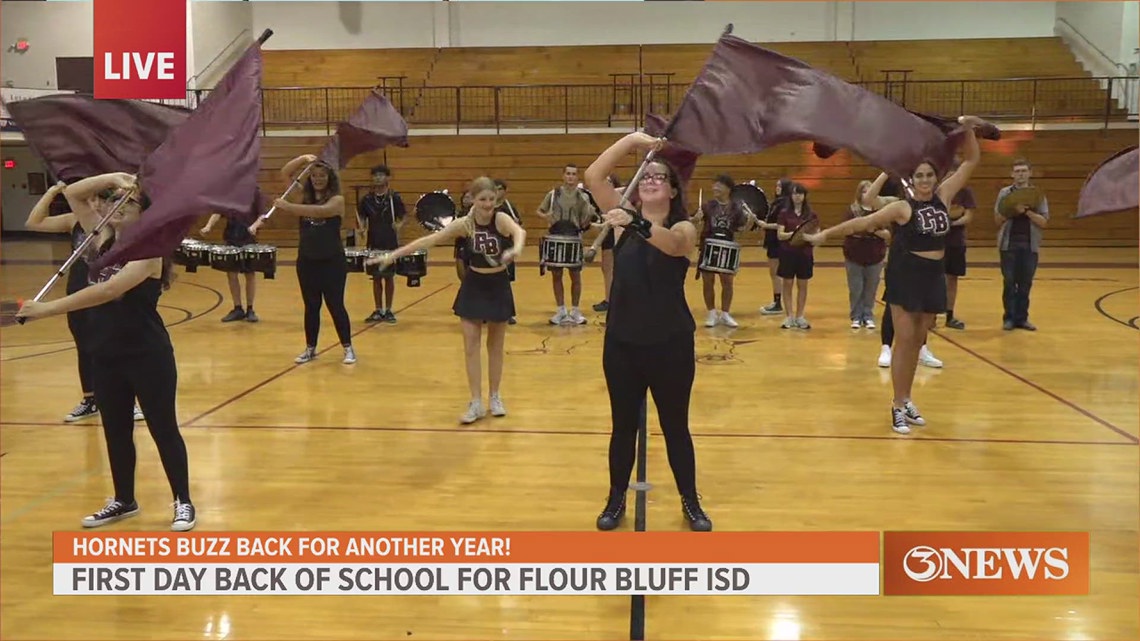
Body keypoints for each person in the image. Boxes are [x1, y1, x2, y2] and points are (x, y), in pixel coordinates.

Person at [17, 171, 195, 531]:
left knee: (163, 429)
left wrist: (47, 309)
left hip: (147, 354)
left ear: (144, 215)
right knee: (115, 429)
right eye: (115, 201)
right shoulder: (99, 241)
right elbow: (75, 195)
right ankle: (124, 500)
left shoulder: (149, 253)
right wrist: (114, 176)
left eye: (127, 204)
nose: (116, 207)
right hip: (106, 352)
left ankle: (183, 500)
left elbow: (107, 291)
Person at [804, 116, 981, 434]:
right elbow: (861, 224)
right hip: (906, 274)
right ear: (912, 180)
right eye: (920, 176)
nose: (925, 180)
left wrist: (967, 127)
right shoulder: (902, 207)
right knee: (904, 341)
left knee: (917, 341)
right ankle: (897, 405)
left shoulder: (944, 197)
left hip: (932, 275)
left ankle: (907, 398)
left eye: (929, 175)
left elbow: (971, 159)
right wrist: (824, 235)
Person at [583, 131, 711, 532]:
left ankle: (691, 502)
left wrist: (635, 220)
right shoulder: (622, 220)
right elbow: (593, 176)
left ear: (673, 191)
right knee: (623, 427)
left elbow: (673, 246)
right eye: (647, 174)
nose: (652, 179)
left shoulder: (684, 227)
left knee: (676, 427)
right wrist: (634, 141)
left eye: (660, 176)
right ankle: (615, 497)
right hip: (622, 343)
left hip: (670, 344)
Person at [367, 177, 526, 424]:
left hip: (498, 285)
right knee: (471, 345)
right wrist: (392, 255)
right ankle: (475, 401)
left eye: (491, 200)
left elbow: (519, 232)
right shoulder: (464, 224)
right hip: (474, 285)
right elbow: (428, 241)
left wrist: (515, 249)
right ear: (472, 199)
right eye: (482, 199)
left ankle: (495, 396)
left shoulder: (500, 219)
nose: (487, 205)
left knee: (495, 345)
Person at [24, 181, 145, 424]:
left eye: (102, 199)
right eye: (92, 199)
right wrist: (51, 191)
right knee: (84, 345)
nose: (96, 204)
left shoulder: (113, 228)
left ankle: (127, 400)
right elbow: (33, 222)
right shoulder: (75, 221)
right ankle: (90, 400)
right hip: (79, 285)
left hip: (104, 287)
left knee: (112, 344)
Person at [253, 154, 356, 365]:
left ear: (330, 178)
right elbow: (285, 172)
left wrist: (287, 207)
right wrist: (302, 159)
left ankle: (348, 347)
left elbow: (320, 212)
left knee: (335, 305)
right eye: (314, 175)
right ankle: (310, 348)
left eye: (322, 176)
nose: (318, 179)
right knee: (311, 306)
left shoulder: (337, 200)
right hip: (307, 261)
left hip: (332, 262)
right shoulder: (302, 196)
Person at [860, 173, 943, 370]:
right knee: (893, 305)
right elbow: (868, 200)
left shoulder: (934, 200)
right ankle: (886, 347)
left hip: (925, 264)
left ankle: (921, 348)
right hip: (900, 260)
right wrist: (886, 171)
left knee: (922, 309)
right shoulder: (898, 203)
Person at [537, 164, 597, 325]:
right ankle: (561, 310)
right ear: (563, 175)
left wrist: (589, 214)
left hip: (573, 237)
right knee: (556, 275)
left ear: (577, 177)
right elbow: (540, 211)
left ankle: (575, 311)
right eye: (568, 174)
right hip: (555, 237)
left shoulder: (582, 197)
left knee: (575, 275)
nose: (570, 177)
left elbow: (585, 221)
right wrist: (547, 217)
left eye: (574, 174)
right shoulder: (553, 194)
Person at [994, 158, 1048, 331]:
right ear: (1012, 174)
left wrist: (1027, 211)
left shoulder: (1037, 195)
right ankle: (1008, 318)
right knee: (1009, 283)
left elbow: (1043, 221)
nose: (1020, 174)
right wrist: (1012, 211)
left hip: (1030, 245)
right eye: (1017, 171)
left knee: (1025, 284)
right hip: (1008, 245)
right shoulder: (1004, 193)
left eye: (1024, 171)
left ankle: (1022, 318)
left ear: (1030, 173)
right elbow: (997, 219)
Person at [694, 174, 749, 328]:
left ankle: (725, 313)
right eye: (714, 185)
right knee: (708, 281)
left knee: (727, 282)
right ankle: (711, 313)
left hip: (727, 247)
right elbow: (691, 219)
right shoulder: (707, 205)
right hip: (708, 246)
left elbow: (741, 229)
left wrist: (749, 222)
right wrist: (695, 219)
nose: (715, 188)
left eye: (719, 185)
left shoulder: (736, 207)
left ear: (728, 188)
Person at [200, 191, 263, 323]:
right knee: (231, 274)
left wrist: (255, 226)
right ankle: (237, 308)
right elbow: (218, 212)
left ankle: (250, 309)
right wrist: (208, 226)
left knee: (249, 274)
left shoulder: (255, 191)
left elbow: (262, 215)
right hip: (231, 237)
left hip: (248, 238)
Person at [358, 165, 406, 324]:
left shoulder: (394, 198)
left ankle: (389, 309)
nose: (378, 178)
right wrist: (362, 229)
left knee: (389, 277)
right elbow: (362, 218)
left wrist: (399, 225)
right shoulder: (366, 199)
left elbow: (403, 216)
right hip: (374, 241)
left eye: (381, 175)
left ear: (387, 178)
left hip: (390, 241)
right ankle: (378, 309)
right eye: (375, 175)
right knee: (376, 277)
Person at [843, 180, 889, 329]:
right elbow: (846, 229)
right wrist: (860, 228)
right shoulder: (852, 210)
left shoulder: (881, 212)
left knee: (871, 287)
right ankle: (856, 316)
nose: (867, 194)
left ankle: (868, 314)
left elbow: (888, 234)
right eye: (864, 191)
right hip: (854, 254)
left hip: (875, 255)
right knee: (856, 287)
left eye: (871, 191)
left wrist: (874, 230)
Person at [776, 183, 817, 329]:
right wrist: (795, 235)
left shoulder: (811, 215)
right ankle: (789, 316)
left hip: (805, 254)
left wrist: (807, 237)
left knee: (802, 285)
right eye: (794, 193)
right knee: (787, 284)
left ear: (804, 196)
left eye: (800, 193)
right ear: (791, 196)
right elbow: (780, 235)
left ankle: (800, 316)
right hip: (788, 253)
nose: (797, 196)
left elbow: (815, 234)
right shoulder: (784, 213)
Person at [758, 178, 791, 315]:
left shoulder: (784, 204)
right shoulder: (777, 202)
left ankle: (778, 303)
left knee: (776, 273)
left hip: (778, 241)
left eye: (780, 186)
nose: (777, 188)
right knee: (774, 273)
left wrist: (766, 226)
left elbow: (782, 224)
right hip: (772, 240)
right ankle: (777, 301)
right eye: (776, 185)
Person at [592, 173, 623, 314]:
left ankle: (616, 300)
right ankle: (609, 298)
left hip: (619, 232)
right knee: (606, 267)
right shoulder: (602, 198)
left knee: (618, 268)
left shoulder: (620, 196)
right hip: (607, 233)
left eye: (609, 182)